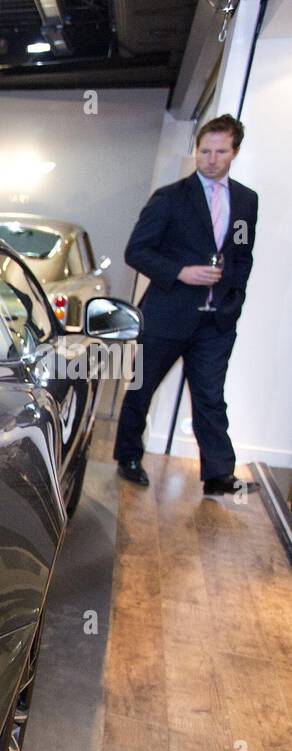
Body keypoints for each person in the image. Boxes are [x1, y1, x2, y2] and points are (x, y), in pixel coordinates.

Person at [114, 114, 258, 496]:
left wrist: (234, 299)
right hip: (166, 316)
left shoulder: (246, 201)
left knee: (210, 397)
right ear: (197, 150)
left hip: (216, 322)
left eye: (220, 152)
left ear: (235, 152)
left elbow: (243, 253)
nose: (211, 159)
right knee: (141, 389)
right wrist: (180, 272)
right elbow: (137, 251)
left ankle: (218, 476)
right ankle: (128, 457)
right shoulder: (169, 198)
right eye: (204, 151)